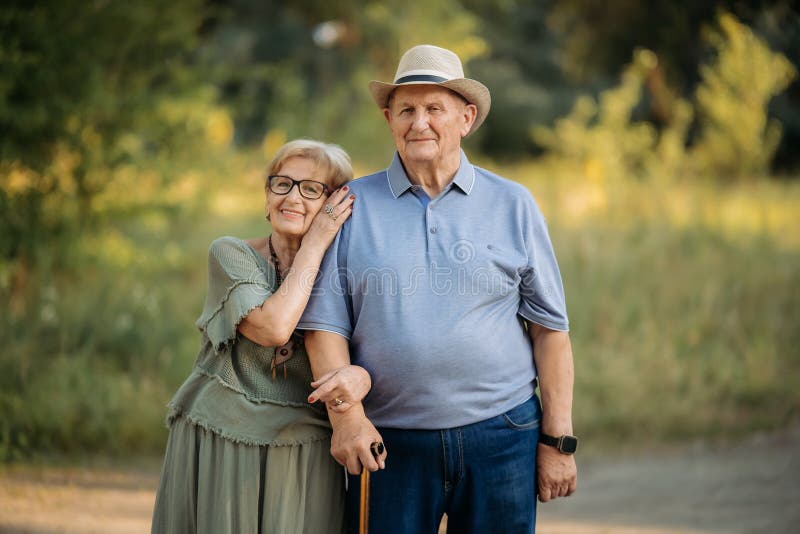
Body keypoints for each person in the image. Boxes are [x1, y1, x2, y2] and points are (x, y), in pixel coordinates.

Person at [298, 45, 578, 533]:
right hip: (388, 442)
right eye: (406, 109)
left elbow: (550, 331)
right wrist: (347, 419)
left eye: (434, 109)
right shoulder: (350, 206)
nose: (418, 122)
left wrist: (558, 442)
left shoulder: (514, 204)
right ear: (389, 119)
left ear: (466, 118)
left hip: (503, 436)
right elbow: (324, 329)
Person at [151, 139, 371, 534]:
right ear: (267, 195)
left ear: (335, 205)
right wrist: (317, 240)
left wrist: (363, 377)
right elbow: (274, 327)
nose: (292, 197)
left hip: (304, 450)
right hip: (223, 439)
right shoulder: (230, 254)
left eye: (311, 189)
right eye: (282, 184)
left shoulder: (350, 273)